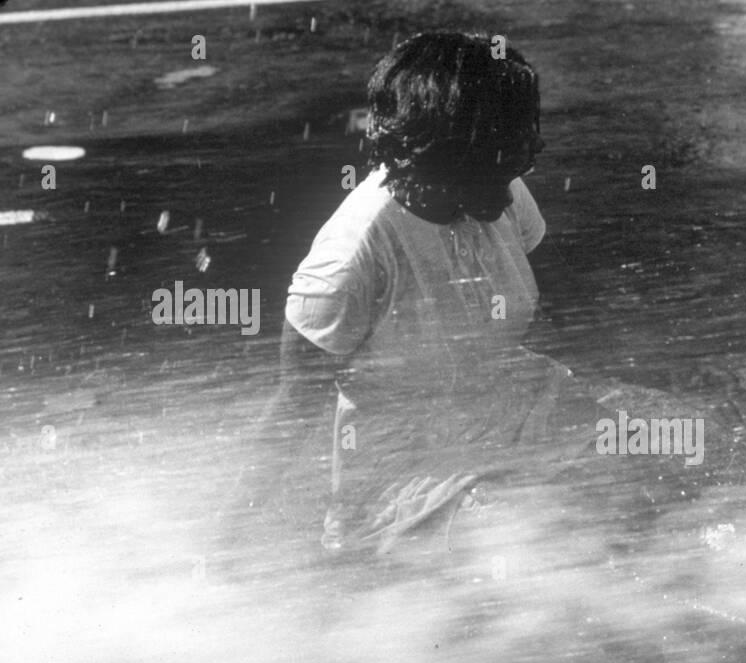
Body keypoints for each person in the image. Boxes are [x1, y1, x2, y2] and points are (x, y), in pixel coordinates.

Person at [220, 30, 602, 561]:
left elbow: (569, 314)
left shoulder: (499, 186)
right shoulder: (353, 258)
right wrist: (216, 551)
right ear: (440, 156)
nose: (520, 169)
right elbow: (291, 410)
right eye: (504, 157)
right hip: (408, 469)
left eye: (522, 151)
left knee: (657, 458)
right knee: (530, 540)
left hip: (512, 414)